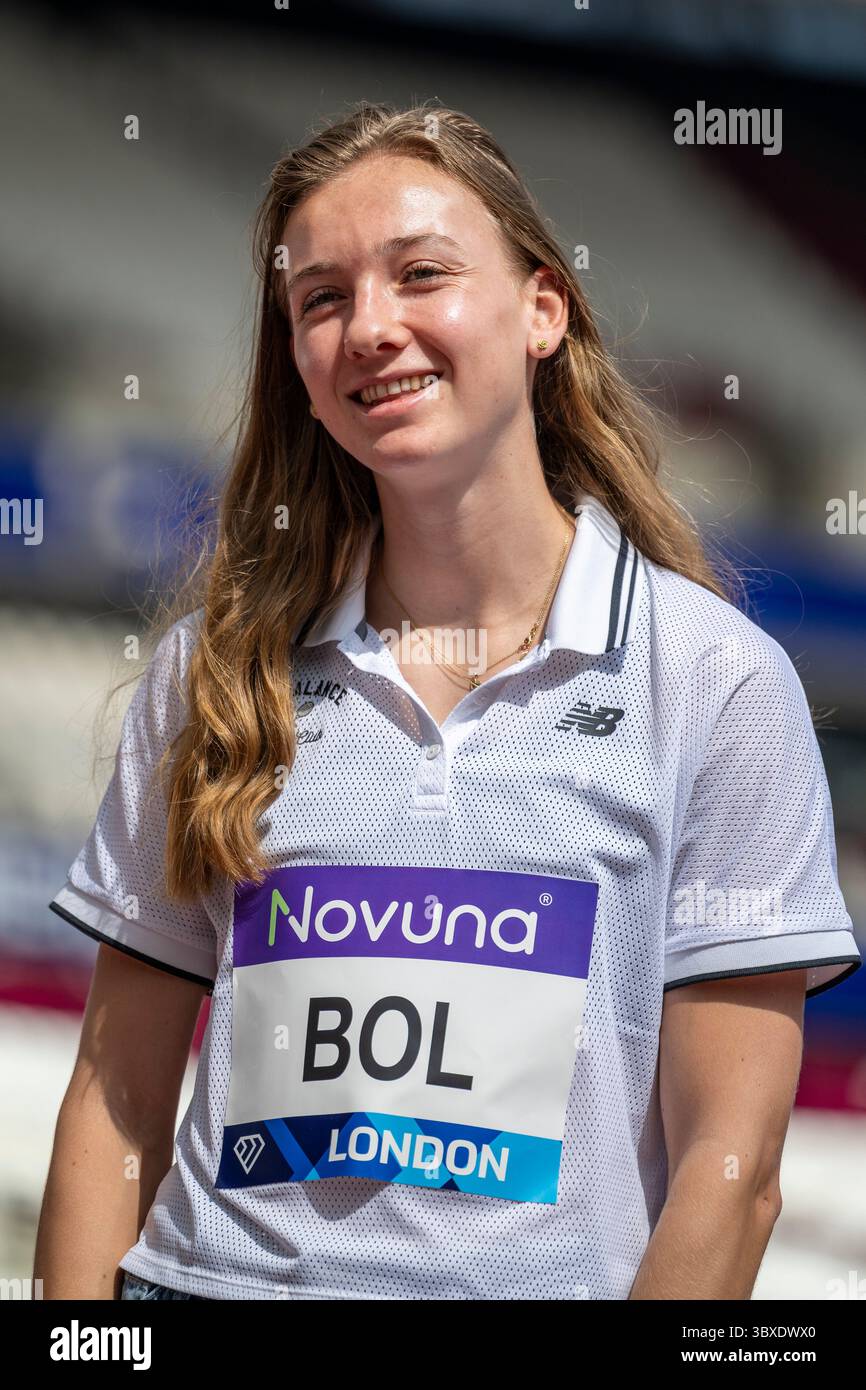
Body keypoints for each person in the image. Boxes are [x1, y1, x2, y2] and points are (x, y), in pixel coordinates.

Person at [34, 101, 861, 1302]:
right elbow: (112, 1106)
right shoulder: (212, 672)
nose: (370, 326)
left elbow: (727, 1177)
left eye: (419, 273)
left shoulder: (712, 683)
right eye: (319, 300)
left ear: (541, 311)